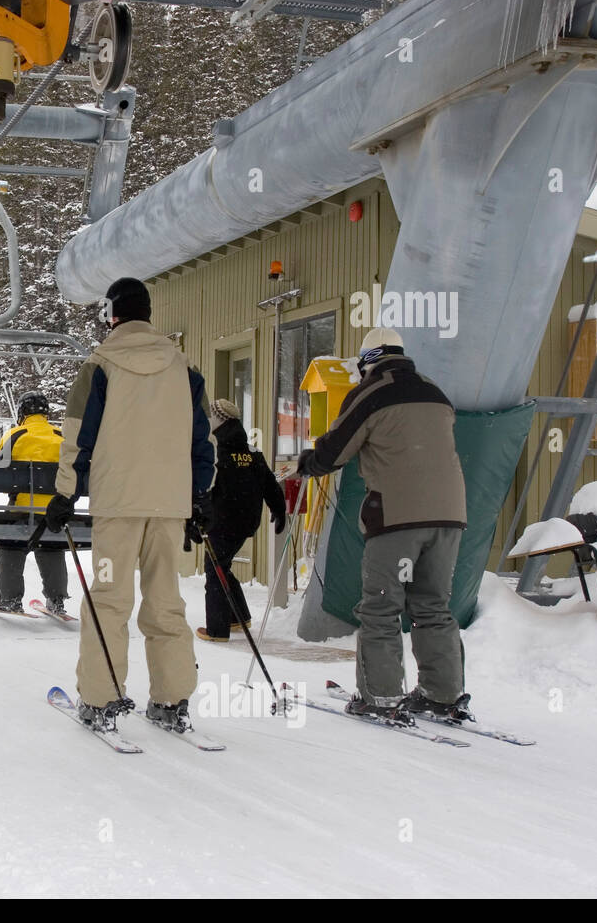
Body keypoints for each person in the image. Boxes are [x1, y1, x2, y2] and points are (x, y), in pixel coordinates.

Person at [44, 277, 215, 734]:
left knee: (109, 598)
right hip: (169, 505)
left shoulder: (100, 365)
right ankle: (172, 698)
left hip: (118, 506)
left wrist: (65, 493)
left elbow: (78, 436)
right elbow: (202, 441)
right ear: (148, 312)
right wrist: (199, 497)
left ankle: (102, 698)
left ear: (111, 314)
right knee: (165, 601)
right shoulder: (184, 369)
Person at [297, 327, 470, 722]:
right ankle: (441, 694)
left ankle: (381, 696)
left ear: (367, 361)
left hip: (398, 517)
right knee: (433, 605)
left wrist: (310, 462)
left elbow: (335, 449)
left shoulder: (371, 394)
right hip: (449, 517)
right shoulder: (436, 393)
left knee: (380, 606)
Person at [194, 399, 287, 642]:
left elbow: (204, 484)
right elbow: (269, 484)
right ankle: (239, 616)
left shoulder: (214, 449)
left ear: (218, 420)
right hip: (246, 520)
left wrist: (195, 511)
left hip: (221, 519)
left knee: (214, 570)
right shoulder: (252, 451)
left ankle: (217, 629)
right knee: (222, 566)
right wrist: (279, 510)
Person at [0, 390, 69, 615]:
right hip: (55, 511)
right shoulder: (61, 435)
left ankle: (10, 597)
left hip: (22, 508)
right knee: (52, 546)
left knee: (10, 545)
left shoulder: (15, 435)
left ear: (22, 412)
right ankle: (57, 599)